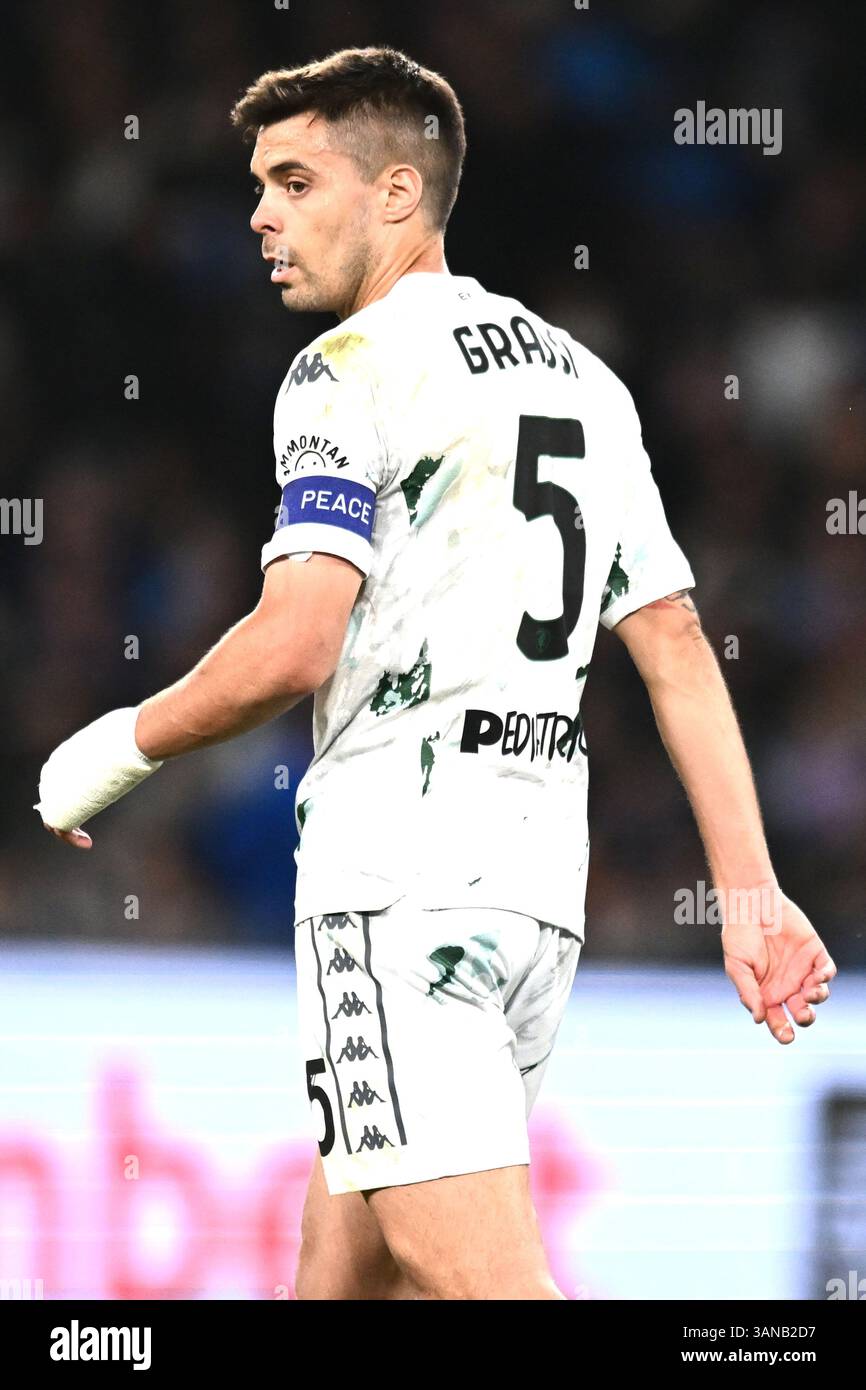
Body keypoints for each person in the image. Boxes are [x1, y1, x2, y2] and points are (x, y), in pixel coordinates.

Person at [34, 46, 836, 1301]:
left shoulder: (343, 372)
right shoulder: (587, 379)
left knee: (486, 1288)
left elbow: (297, 637)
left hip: (396, 884)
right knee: (342, 1267)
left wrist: (118, 746)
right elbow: (672, 642)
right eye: (257, 184)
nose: (260, 213)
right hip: (531, 890)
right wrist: (750, 888)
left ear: (398, 193)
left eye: (295, 182)